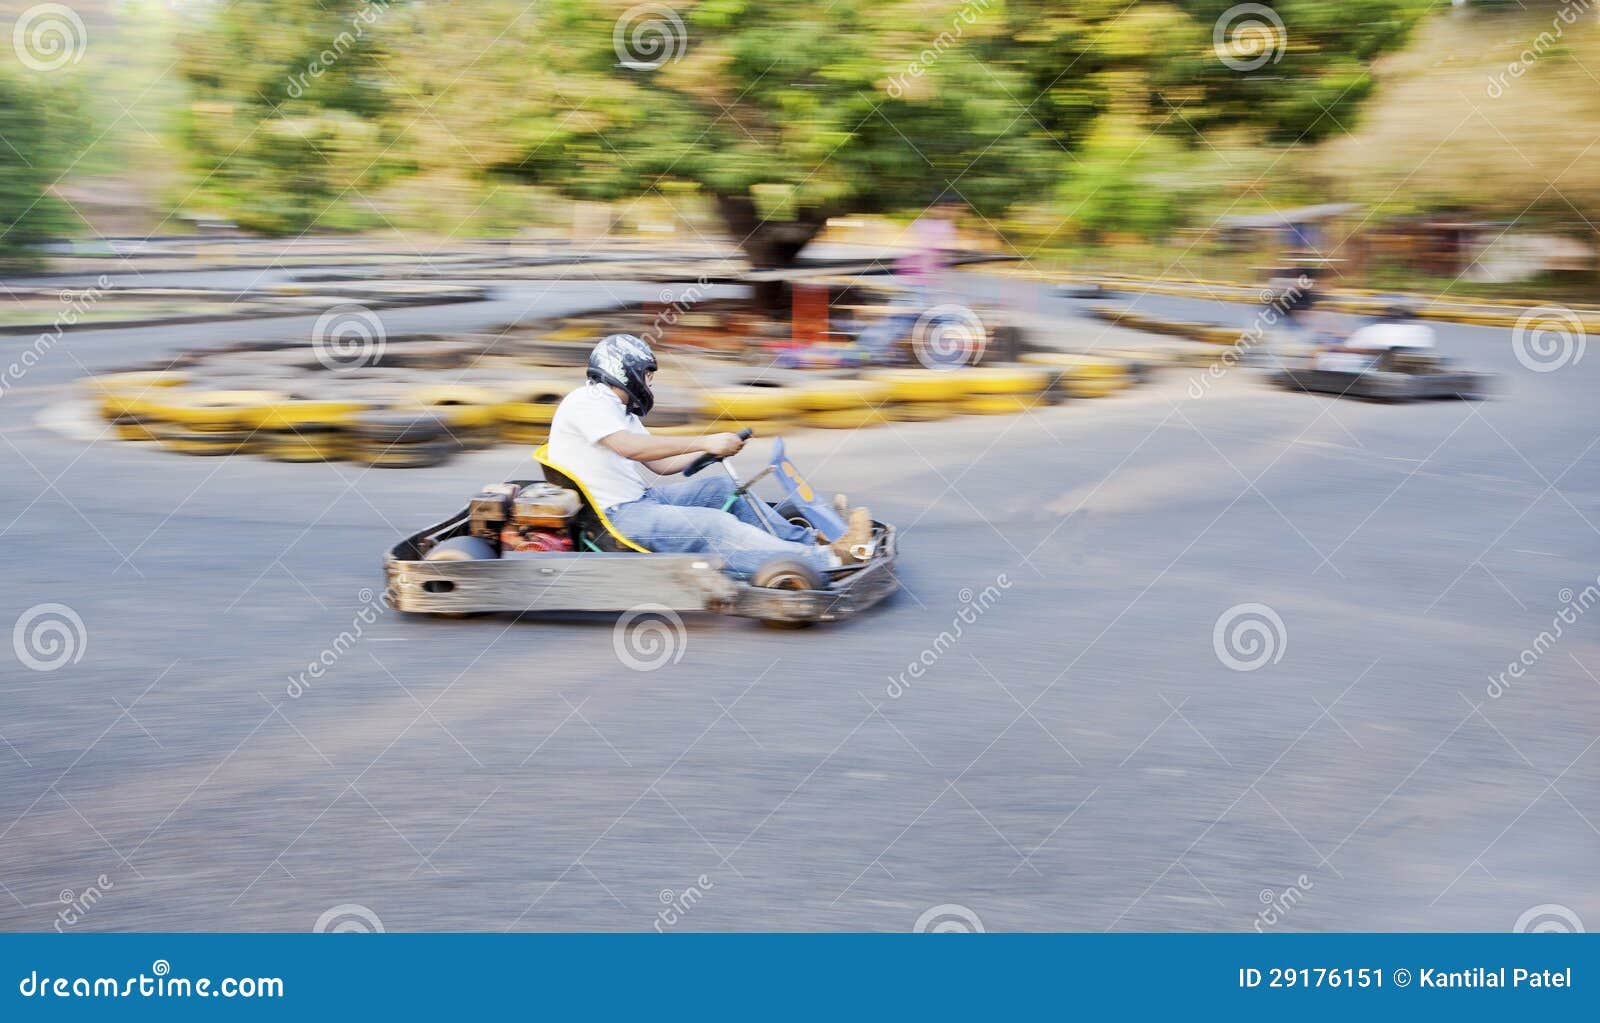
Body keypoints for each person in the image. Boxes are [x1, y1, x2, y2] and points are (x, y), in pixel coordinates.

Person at [546, 334, 873, 578]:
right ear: (624, 368)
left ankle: (818, 543)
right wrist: (705, 440)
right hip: (617, 519)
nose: (649, 382)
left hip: (642, 501)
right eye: (646, 374)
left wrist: (708, 449)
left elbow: (661, 464)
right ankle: (825, 562)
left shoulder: (619, 411)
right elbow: (630, 448)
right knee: (714, 526)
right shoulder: (587, 401)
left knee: (721, 489)